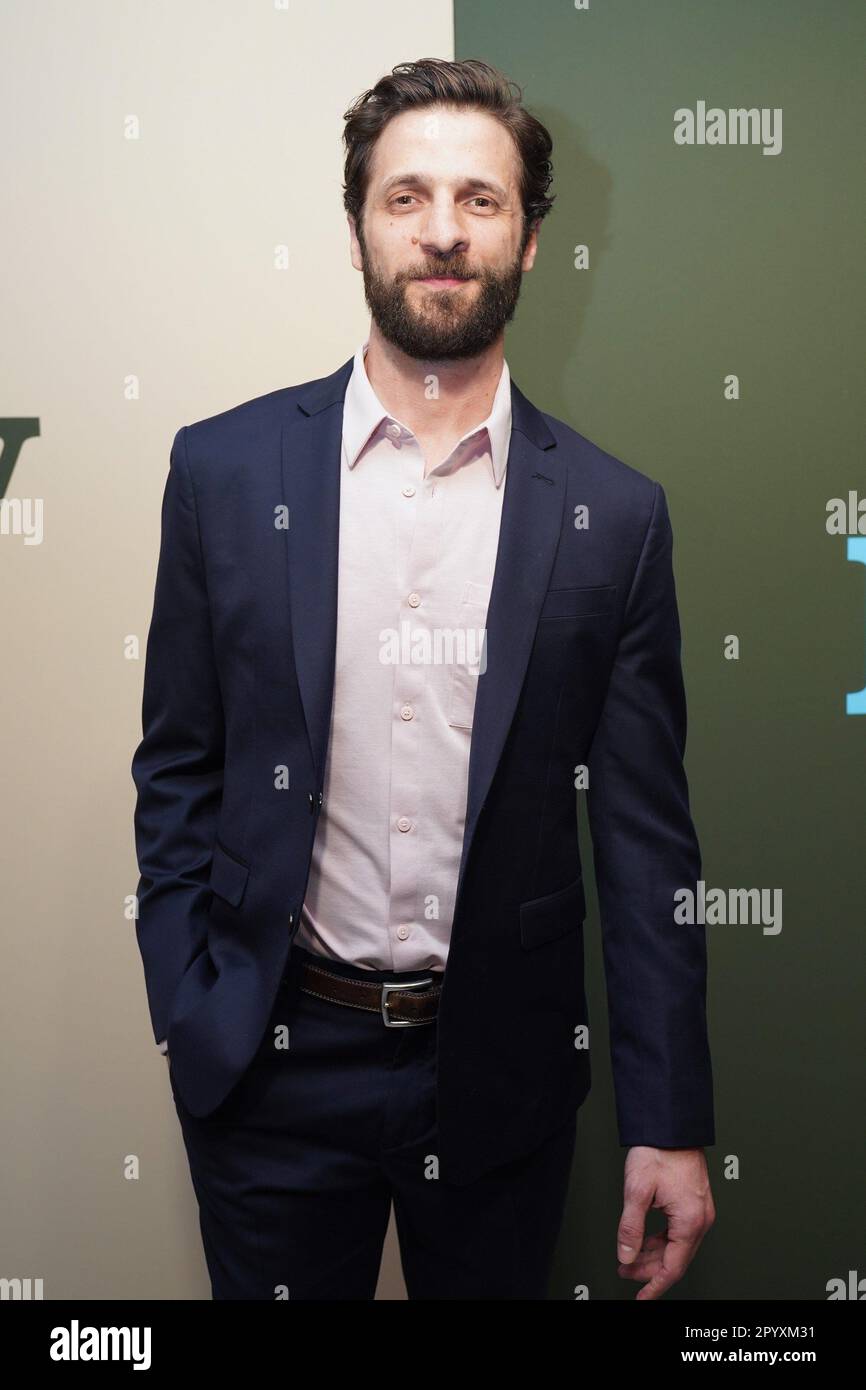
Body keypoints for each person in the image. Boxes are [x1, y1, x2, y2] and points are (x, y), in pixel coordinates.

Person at [131, 56, 716, 1301]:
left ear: (531, 238)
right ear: (356, 230)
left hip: (497, 1074)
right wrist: (191, 997)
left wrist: (664, 1119)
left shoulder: (613, 518)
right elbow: (179, 761)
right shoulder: (224, 473)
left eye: (479, 200)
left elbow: (645, 846)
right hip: (268, 1067)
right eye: (404, 199)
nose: (441, 233)